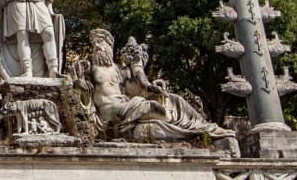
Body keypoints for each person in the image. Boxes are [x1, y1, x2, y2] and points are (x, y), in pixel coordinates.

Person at [79, 29, 233, 143]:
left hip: (127, 105)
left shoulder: (119, 70)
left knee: (175, 99)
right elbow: (76, 81)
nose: (97, 47)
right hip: (110, 112)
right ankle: (193, 130)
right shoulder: (89, 68)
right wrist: (79, 83)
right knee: (157, 110)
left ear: (109, 47)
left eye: (101, 43)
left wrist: (151, 86)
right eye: (94, 44)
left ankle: (206, 127)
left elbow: (138, 84)